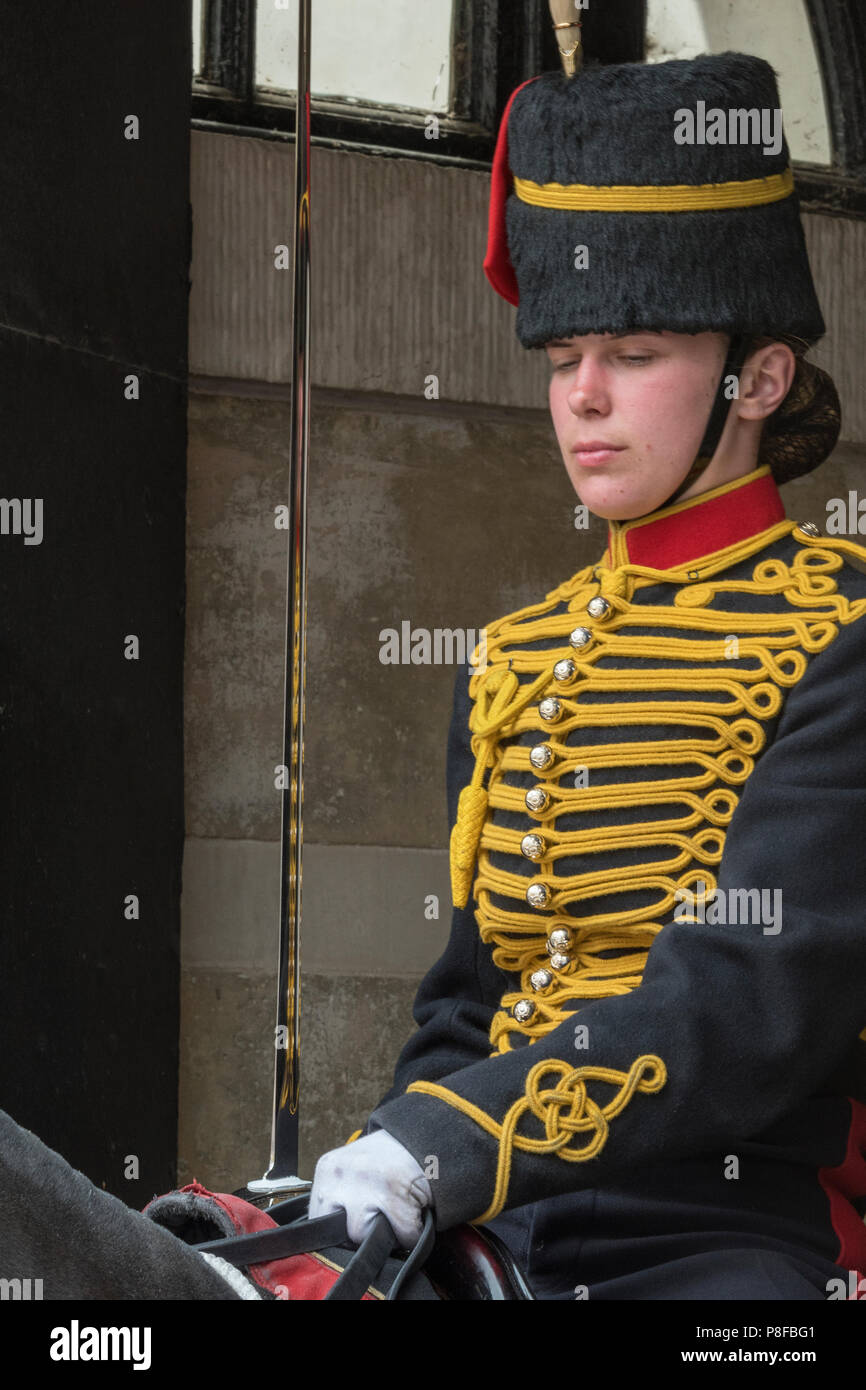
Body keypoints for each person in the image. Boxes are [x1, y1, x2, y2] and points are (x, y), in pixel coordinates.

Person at [309, 51, 866, 1301]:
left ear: (756, 378)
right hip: (491, 1212)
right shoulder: (511, 658)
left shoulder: (843, 633)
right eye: (562, 358)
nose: (583, 398)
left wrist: (451, 1144)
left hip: (731, 1222)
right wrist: (389, 1151)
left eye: (631, 351)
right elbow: (466, 1003)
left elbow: (747, 1000)